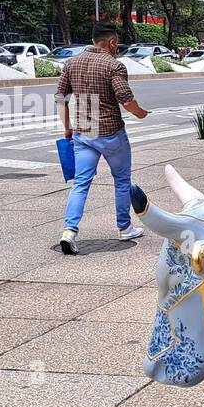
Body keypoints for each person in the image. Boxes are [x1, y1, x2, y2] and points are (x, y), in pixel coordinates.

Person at [56, 22, 151, 255]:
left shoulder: (71, 63)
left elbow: (61, 98)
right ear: (110, 42)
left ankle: (69, 231)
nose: (116, 46)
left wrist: (67, 128)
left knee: (81, 183)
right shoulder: (114, 65)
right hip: (111, 134)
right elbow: (126, 99)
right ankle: (124, 227)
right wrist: (141, 114)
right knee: (121, 180)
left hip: (83, 133)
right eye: (116, 43)